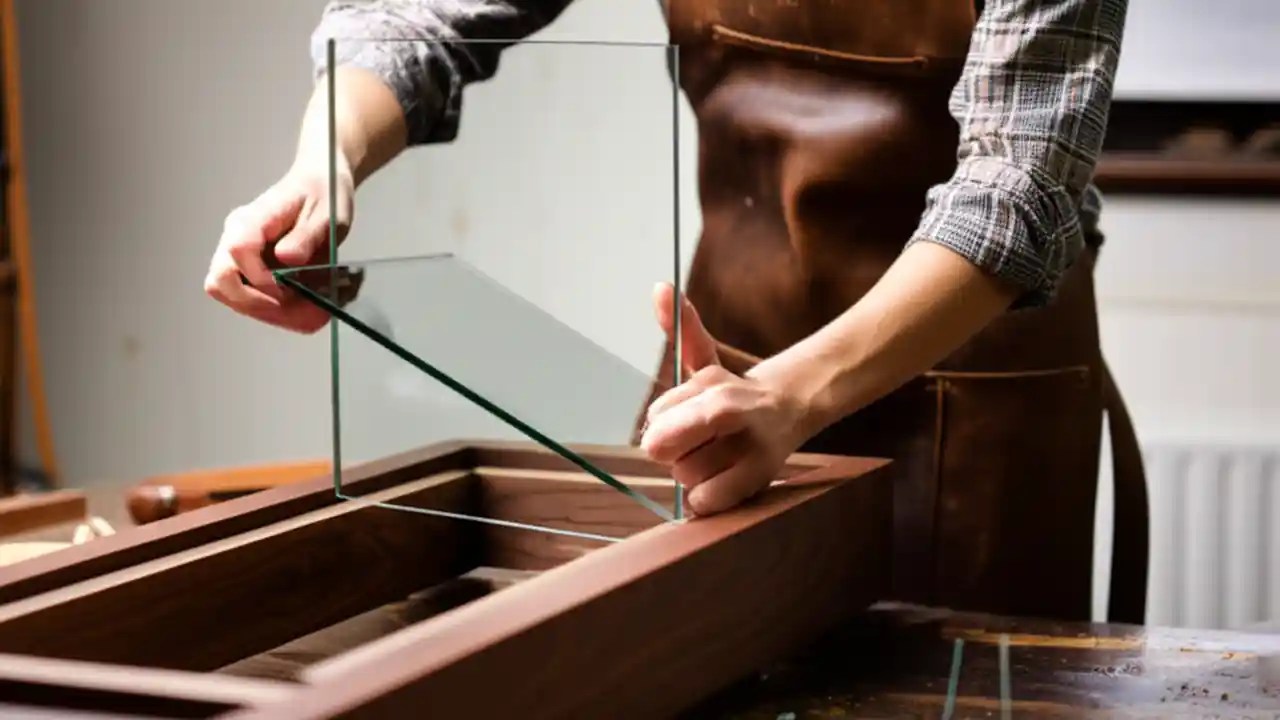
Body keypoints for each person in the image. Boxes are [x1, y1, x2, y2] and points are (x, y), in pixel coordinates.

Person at [205, 0, 1149, 624]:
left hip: (972, 397)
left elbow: (1018, 187)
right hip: (720, 374)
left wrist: (788, 396)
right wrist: (322, 161)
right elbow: (414, 16)